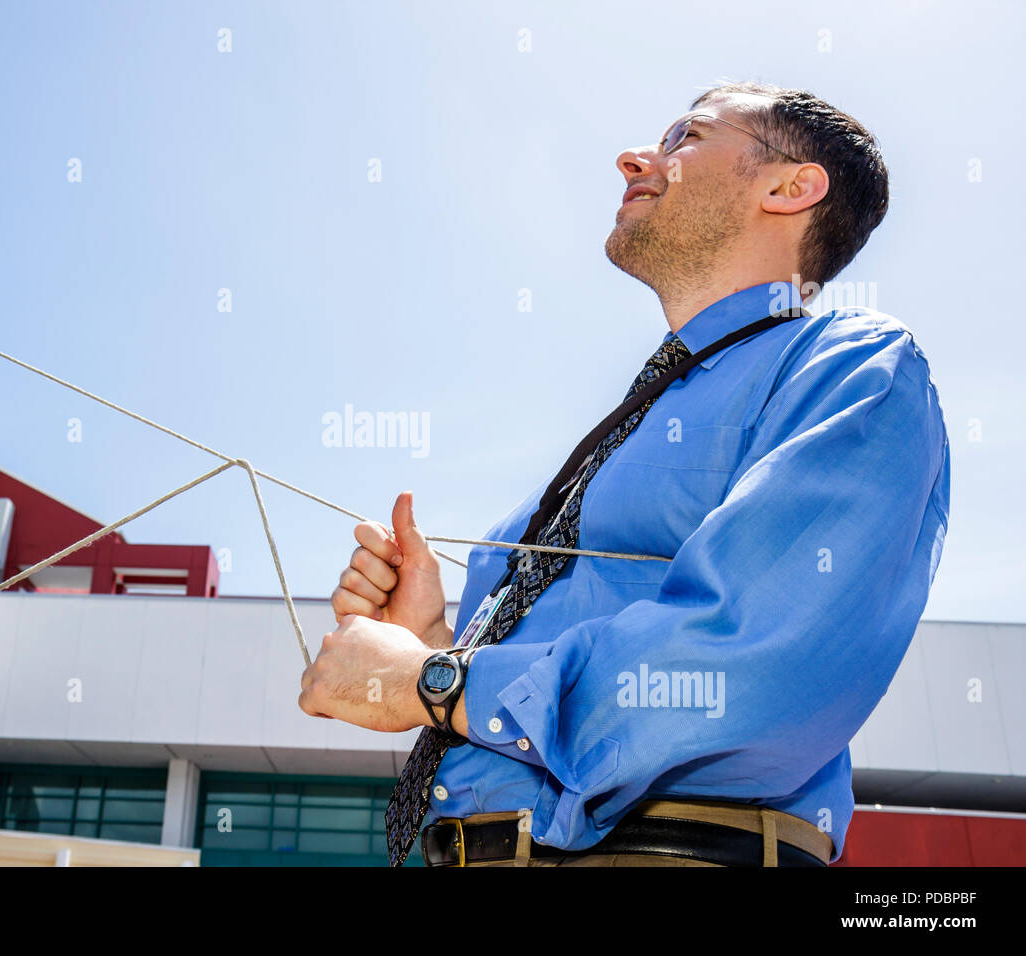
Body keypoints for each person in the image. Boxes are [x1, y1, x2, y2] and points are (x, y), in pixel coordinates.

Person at [297, 81, 951, 868]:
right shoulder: (613, 441)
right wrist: (435, 637)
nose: (634, 157)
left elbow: (746, 670)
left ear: (790, 186)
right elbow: (496, 683)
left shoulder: (852, 367)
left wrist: (433, 681)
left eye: (687, 136)